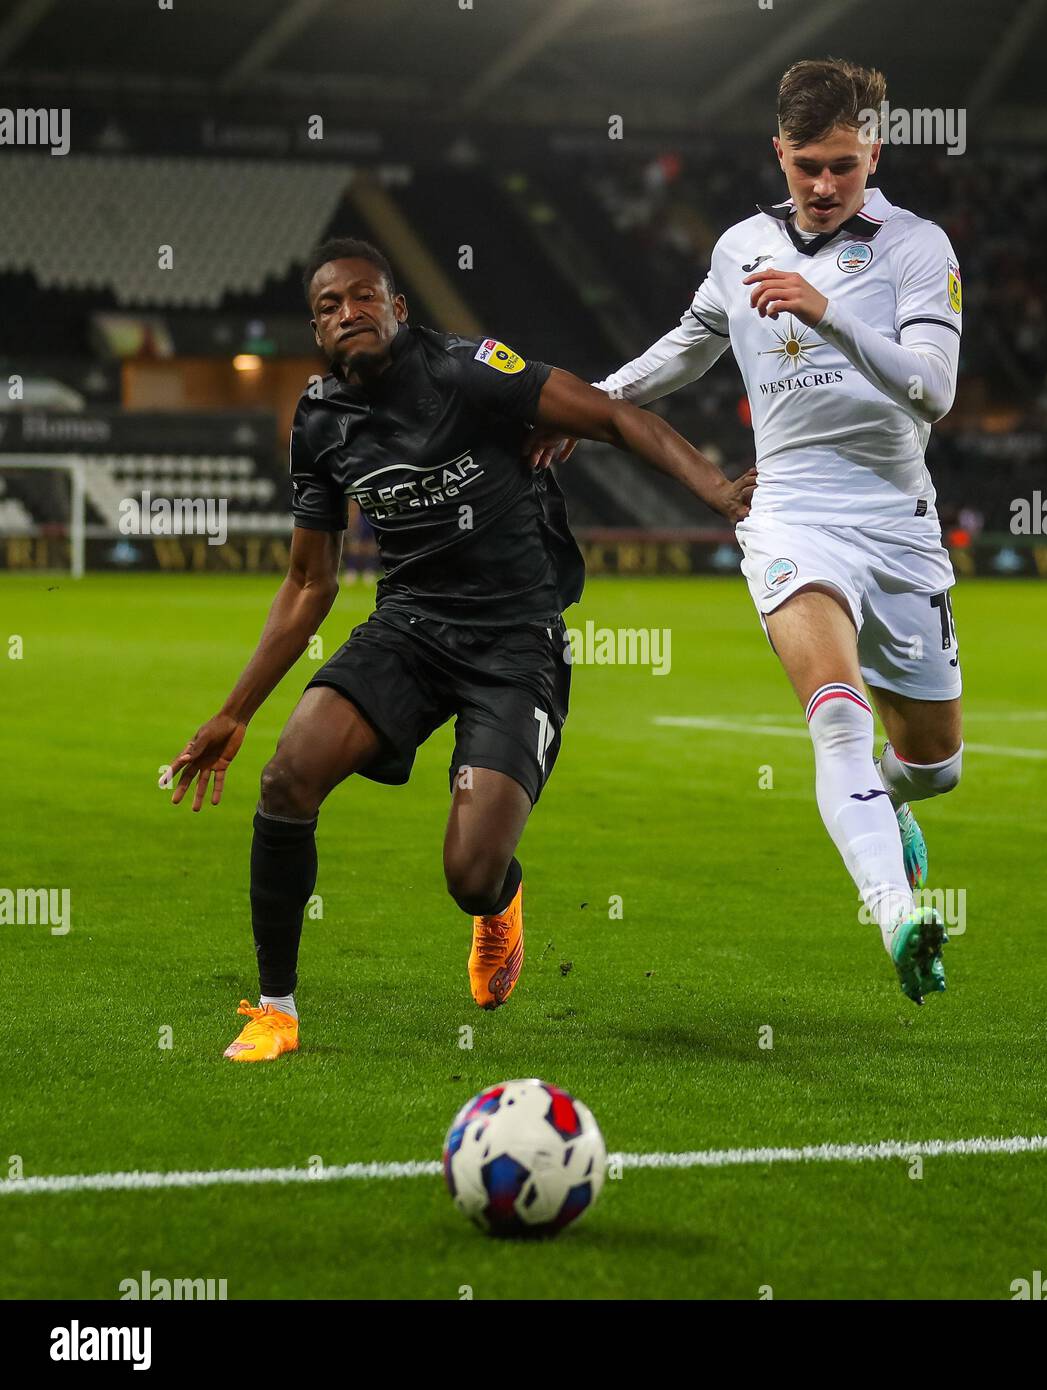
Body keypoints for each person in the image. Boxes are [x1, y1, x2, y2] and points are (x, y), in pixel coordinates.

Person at [164, 237, 755, 1061]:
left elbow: (614, 415)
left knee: (470, 873)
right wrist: (234, 713)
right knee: (286, 775)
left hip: (515, 642)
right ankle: (275, 1011)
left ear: (399, 308)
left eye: (365, 296)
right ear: (316, 330)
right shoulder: (320, 420)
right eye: (330, 306)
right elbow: (309, 583)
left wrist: (718, 490)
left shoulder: (469, 370)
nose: (349, 313)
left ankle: (499, 904)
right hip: (409, 628)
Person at [530, 59, 964, 1004]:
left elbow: (934, 391)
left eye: (842, 166)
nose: (821, 185)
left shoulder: (918, 248)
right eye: (806, 163)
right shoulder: (737, 249)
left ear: (874, 151)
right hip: (791, 516)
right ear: (778, 150)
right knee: (839, 716)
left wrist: (829, 312)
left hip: (899, 526)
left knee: (935, 768)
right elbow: (687, 346)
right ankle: (899, 914)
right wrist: (588, 405)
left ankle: (890, 805)